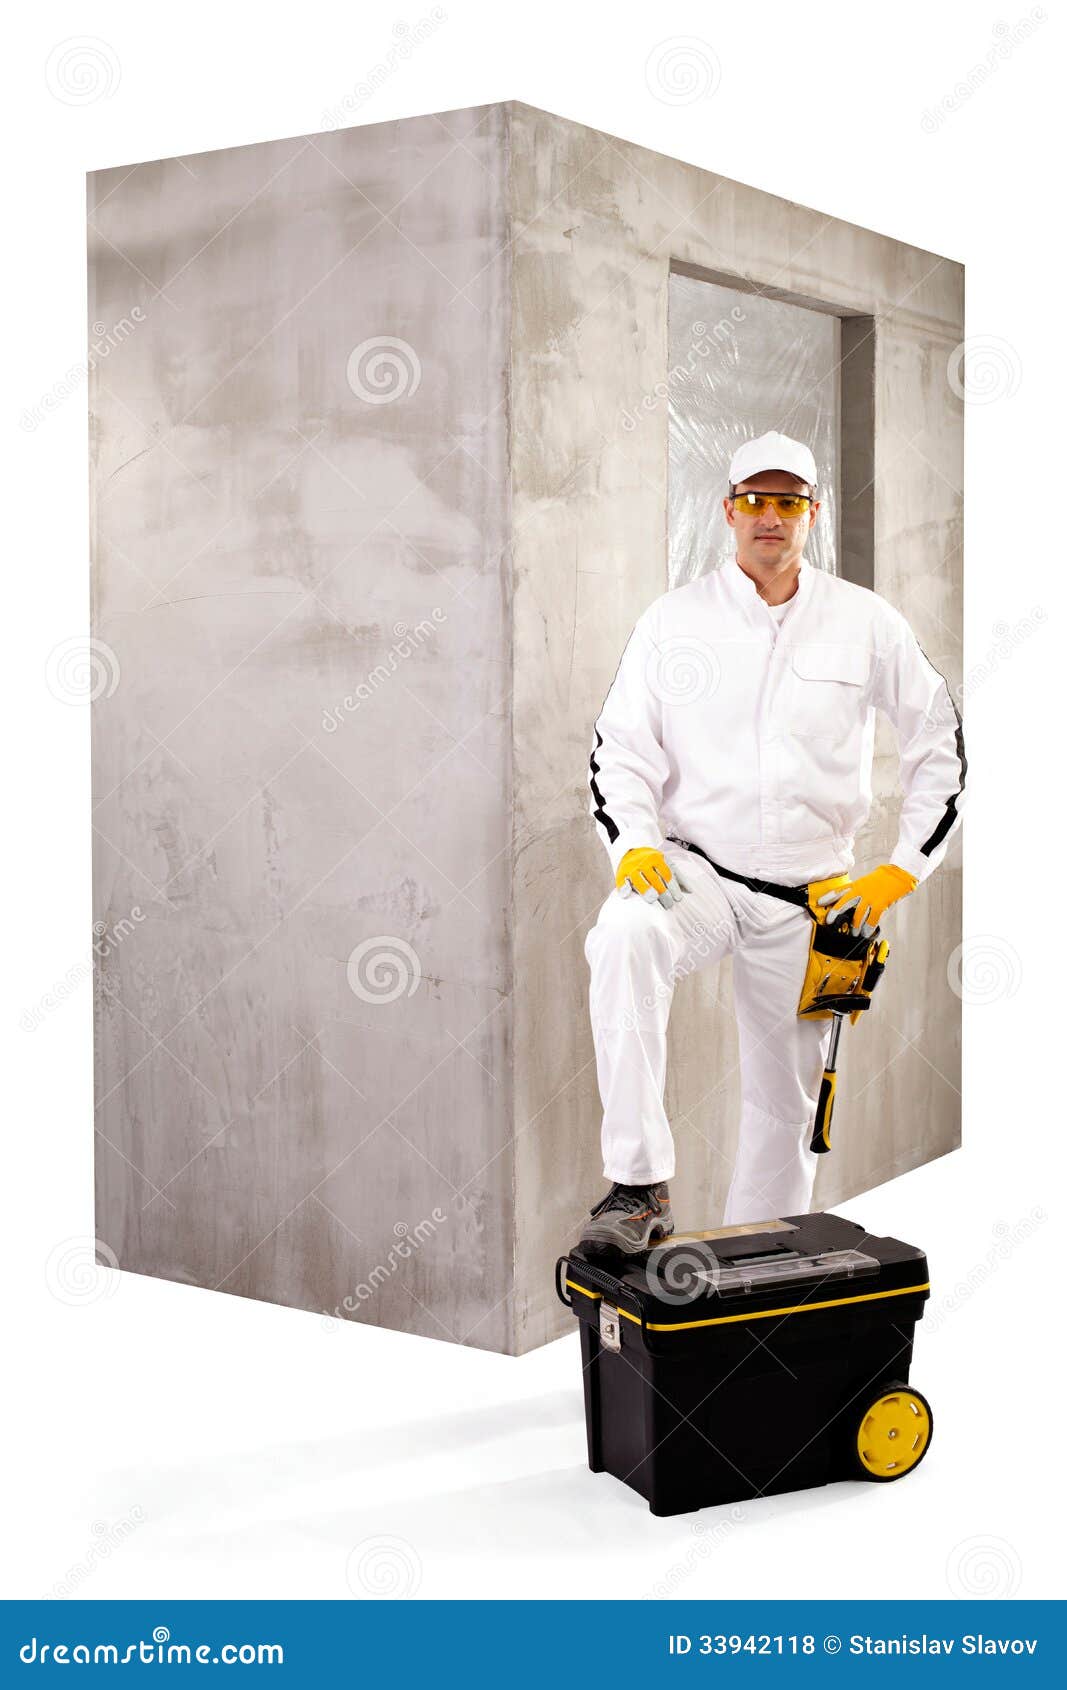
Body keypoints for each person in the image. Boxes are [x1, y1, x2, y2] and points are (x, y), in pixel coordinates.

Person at [580, 430, 966, 1253]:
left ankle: (758, 1269)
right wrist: (634, 846)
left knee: (783, 1108)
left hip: (811, 896)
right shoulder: (674, 620)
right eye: (754, 500)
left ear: (811, 514)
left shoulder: (865, 622)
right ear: (727, 511)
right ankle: (638, 1186)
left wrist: (899, 871)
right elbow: (618, 748)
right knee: (624, 932)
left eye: (787, 501)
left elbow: (939, 739)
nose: (769, 516)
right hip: (695, 871)